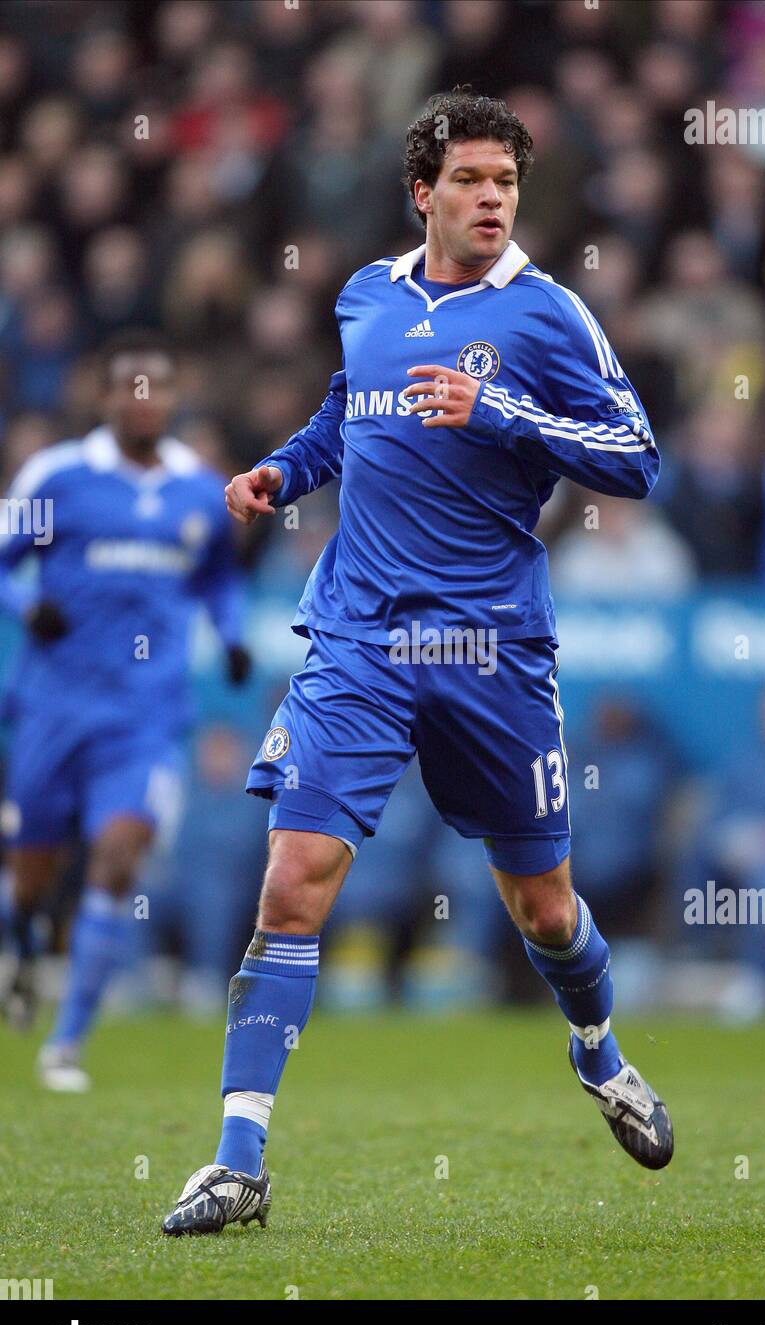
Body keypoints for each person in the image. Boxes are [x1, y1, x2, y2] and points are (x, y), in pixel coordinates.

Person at [162, 89, 672, 1238]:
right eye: (473, 181)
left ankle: (598, 1051)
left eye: (507, 184)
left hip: (491, 648)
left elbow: (638, 455)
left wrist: (500, 412)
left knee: (543, 910)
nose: (493, 200)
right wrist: (281, 476)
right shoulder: (364, 298)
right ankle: (238, 1160)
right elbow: (346, 416)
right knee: (293, 878)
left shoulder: (545, 315)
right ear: (423, 192)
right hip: (360, 637)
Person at [0, 329, 249, 1090]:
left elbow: (217, 578)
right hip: (54, 707)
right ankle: (25, 947)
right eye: (128, 386)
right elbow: (4, 562)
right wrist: (27, 602)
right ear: (104, 396)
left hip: (146, 714)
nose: (144, 401)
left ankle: (66, 1042)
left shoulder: (199, 491)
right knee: (34, 874)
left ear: (174, 397)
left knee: (116, 856)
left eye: (157, 387)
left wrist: (232, 635)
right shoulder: (61, 478)